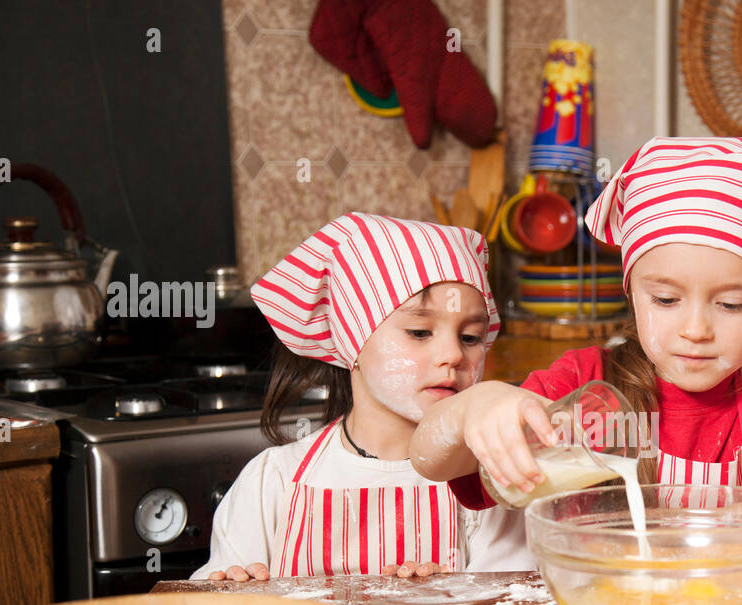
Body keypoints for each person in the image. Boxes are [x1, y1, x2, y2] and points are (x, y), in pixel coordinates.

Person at [411, 137, 742, 561]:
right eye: (666, 300)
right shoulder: (585, 380)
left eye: (729, 304)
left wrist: (680, 532)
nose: (695, 329)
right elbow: (430, 460)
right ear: (631, 294)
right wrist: (474, 408)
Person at [193, 213, 524, 580]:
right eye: (419, 331)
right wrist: (238, 591)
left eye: (470, 337)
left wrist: (440, 596)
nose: (454, 355)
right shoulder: (272, 483)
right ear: (353, 338)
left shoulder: (488, 485)